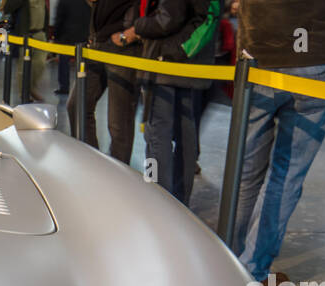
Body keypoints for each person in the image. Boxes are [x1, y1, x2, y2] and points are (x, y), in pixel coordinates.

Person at [231, 0, 325, 282]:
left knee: (244, 171)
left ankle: (227, 262)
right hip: (319, 55)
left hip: (259, 52)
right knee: (286, 174)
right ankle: (251, 270)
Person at [121, 0, 214, 206]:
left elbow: (167, 20)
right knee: (186, 136)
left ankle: (157, 201)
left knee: (156, 137)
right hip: (192, 63)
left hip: (166, 61)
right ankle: (181, 203)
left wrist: (138, 26)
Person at [67, 0, 140, 163]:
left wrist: (131, 33)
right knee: (76, 106)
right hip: (98, 41)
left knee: (118, 122)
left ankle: (119, 177)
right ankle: (92, 164)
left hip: (124, 44)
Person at [1, 0, 48, 102]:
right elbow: (7, 8)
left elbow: (45, 12)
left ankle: (31, 88)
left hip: (40, 34)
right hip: (26, 35)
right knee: (23, 66)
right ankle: (24, 92)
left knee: (40, 64)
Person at [51, 0, 89, 94]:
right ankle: (82, 86)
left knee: (64, 63)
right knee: (82, 63)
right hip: (82, 36)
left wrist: (55, 35)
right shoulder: (85, 2)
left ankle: (64, 87)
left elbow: (59, 19)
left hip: (66, 37)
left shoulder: (64, 1)